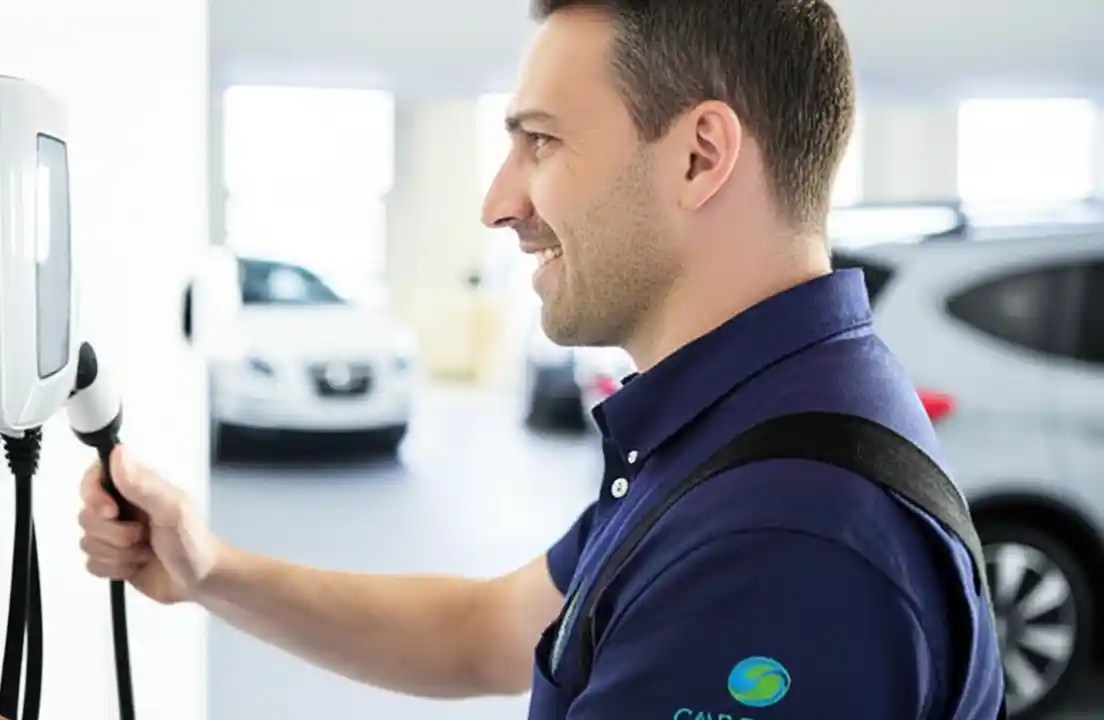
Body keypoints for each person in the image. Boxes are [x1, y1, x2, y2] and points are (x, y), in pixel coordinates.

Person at [78, 1, 1007, 718]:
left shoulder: (782, 544)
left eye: (542, 142)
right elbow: (486, 631)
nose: (498, 203)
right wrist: (210, 569)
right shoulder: (746, 420)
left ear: (699, 158)